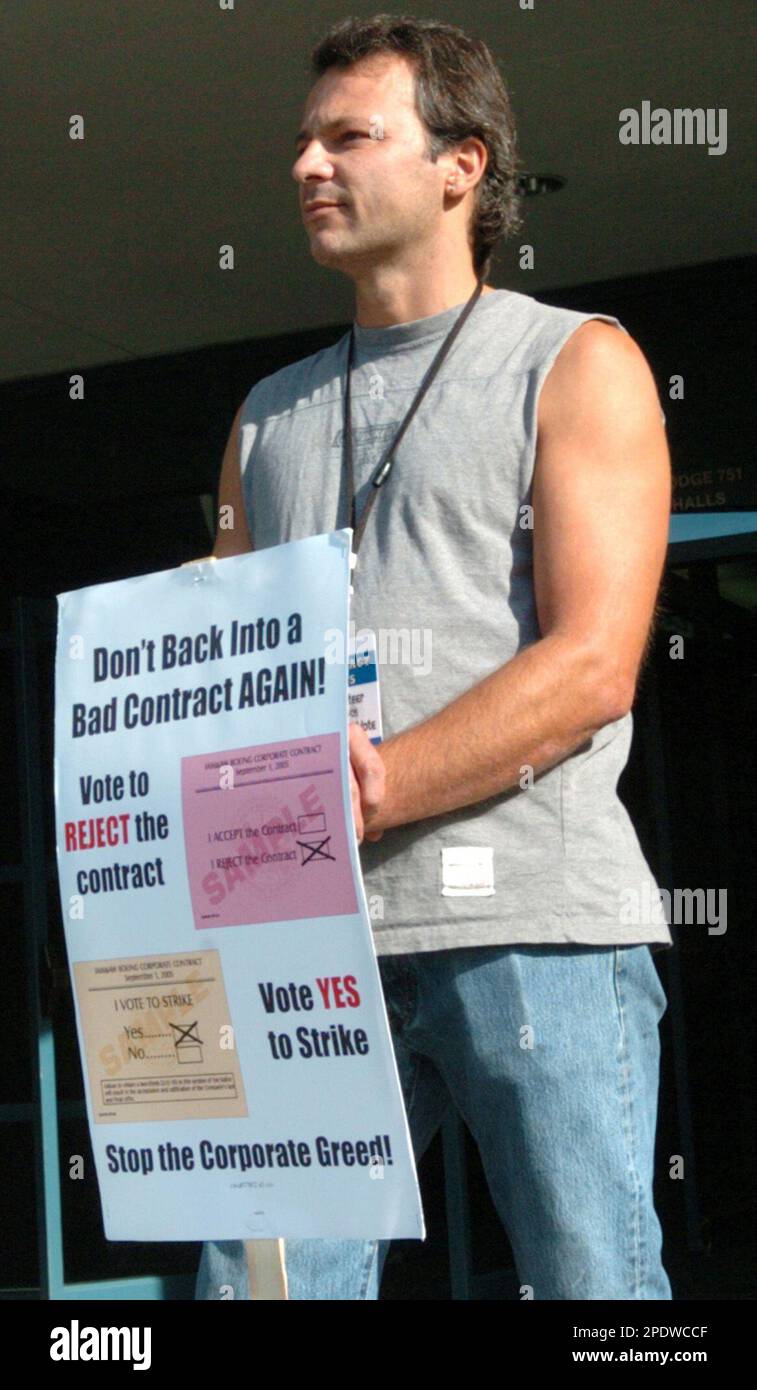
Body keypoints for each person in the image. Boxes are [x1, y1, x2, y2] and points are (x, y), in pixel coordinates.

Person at [196, 14, 674, 1300]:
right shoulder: (267, 418)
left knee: (596, 1291)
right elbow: (230, 679)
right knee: (262, 1292)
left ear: (462, 165)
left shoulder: (577, 361)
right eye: (303, 141)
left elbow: (592, 667)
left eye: (349, 136)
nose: (307, 166)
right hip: (307, 945)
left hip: (532, 923)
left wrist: (370, 786)